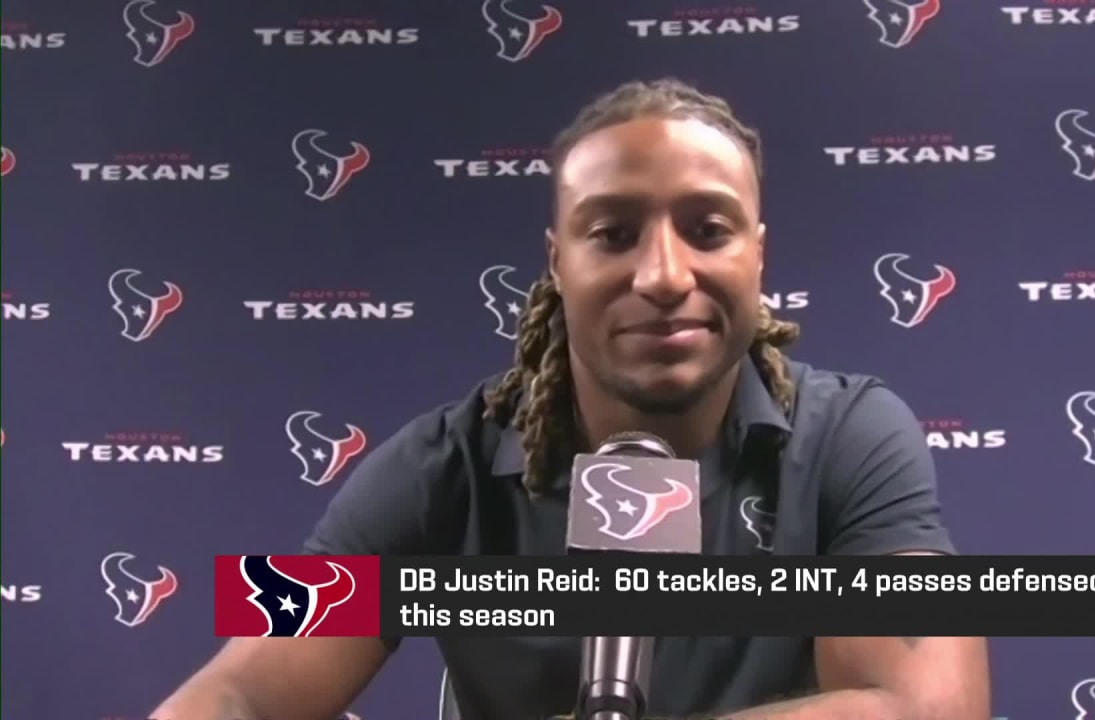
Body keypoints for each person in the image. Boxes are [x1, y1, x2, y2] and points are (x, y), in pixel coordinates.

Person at [150, 78, 990, 720]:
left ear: (757, 256)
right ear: (558, 263)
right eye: (612, 233)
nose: (664, 275)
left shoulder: (853, 433)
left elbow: (922, 707)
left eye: (708, 229)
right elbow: (235, 693)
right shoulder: (441, 464)